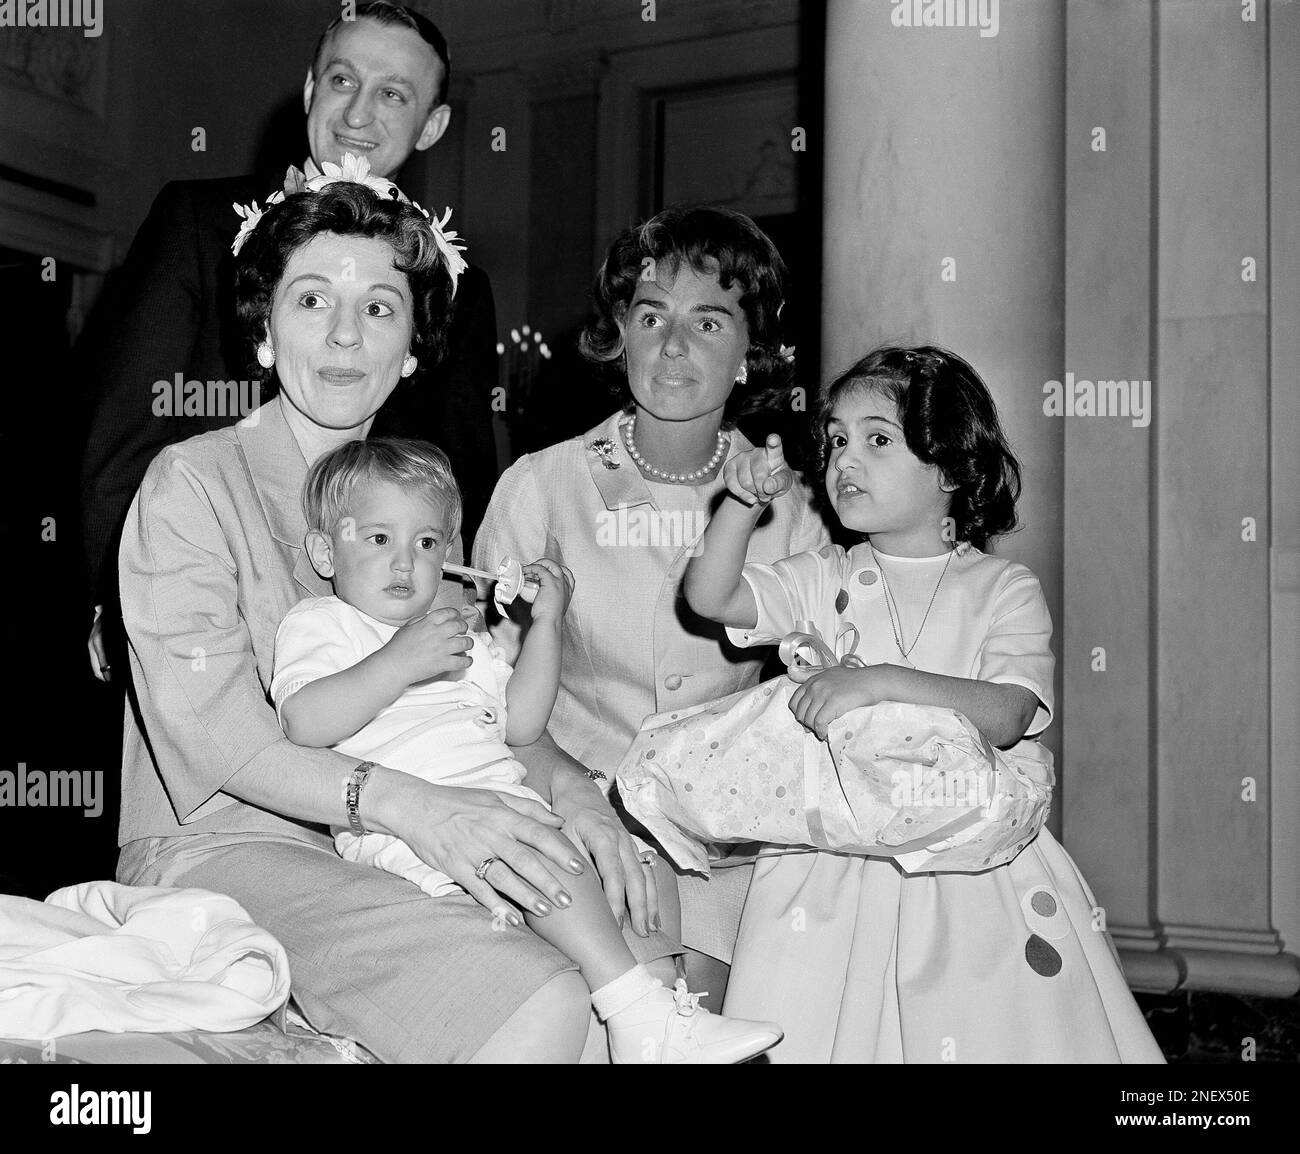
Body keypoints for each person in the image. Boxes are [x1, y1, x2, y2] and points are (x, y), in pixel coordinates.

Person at [114, 162, 672, 1063]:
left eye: (379, 307)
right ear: (262, 331)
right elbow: (220, 738)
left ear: (413, 346)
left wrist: (584, 802)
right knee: (537, 1000)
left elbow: (494, 724)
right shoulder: (192, 484)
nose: (344, 334)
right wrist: (419, 810)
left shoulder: (426, 523)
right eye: (310, 301)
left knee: (645, 941)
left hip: (396, 843)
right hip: (223, 851)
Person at [684, 345, 1165, 1062]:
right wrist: (740, 506)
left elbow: (1007, 713)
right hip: (829, 865)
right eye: (837, 440)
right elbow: (710, 596)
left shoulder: (1002, 589)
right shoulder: (825, 575)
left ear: (947, 466)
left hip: (967, 869)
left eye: (878, 439)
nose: (845, 459)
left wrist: (878, 680)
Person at [270, 436, 783, 1062]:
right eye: (379, 539)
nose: (404, 563)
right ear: (326, 551)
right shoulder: (323, 623)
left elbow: (521, 722)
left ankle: (664, 1019)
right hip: (419, 830)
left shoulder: (455, 638)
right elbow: (302, 722)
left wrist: (544, 629)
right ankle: (640, 1015)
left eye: (426, 543)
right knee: (557, 866)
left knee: (642, 865)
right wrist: (396, 663)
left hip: (505, 806)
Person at [474, 205, 832, 1005]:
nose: (673, 345)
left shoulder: (793, 512)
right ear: (621, 337)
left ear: (751, 355)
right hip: (570, 820)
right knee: (655, 1002)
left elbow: (819, 694)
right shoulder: (542, 486)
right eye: (650, 316)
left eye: (708, 321)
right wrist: (573, 795)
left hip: (731, 842)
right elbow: (478, 702)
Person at [81, 2, 499, 686]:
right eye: (341, 80)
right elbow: (121, 432)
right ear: (309, 89)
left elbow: (459, 470)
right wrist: (117, 596)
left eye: (392, 94)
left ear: (432, 125)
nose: (357, 115)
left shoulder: (455, 282)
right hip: (204, 590)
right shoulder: (196, 222)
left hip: (370, 629)